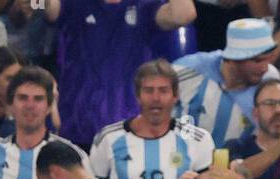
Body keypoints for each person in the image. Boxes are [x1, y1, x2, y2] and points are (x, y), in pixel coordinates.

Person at [49, 0, 198, 150]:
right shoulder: (74, 4)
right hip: (77, 128)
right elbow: (39, 5)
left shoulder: (146, 6)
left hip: (128, 130)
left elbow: (183, 14)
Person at [89, 59, 213, 179]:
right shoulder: (108, 139)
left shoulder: (197, 139)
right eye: (148, 91)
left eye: (163, 91)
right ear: (138, 95)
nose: (156, 98)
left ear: (175, 95)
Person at [174, 16, 279, 144]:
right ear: (233, 59)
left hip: (243, 161)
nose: (264, 67)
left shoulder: (270, 80)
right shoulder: (187, 70)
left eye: (268, 59)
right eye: (257, 60)